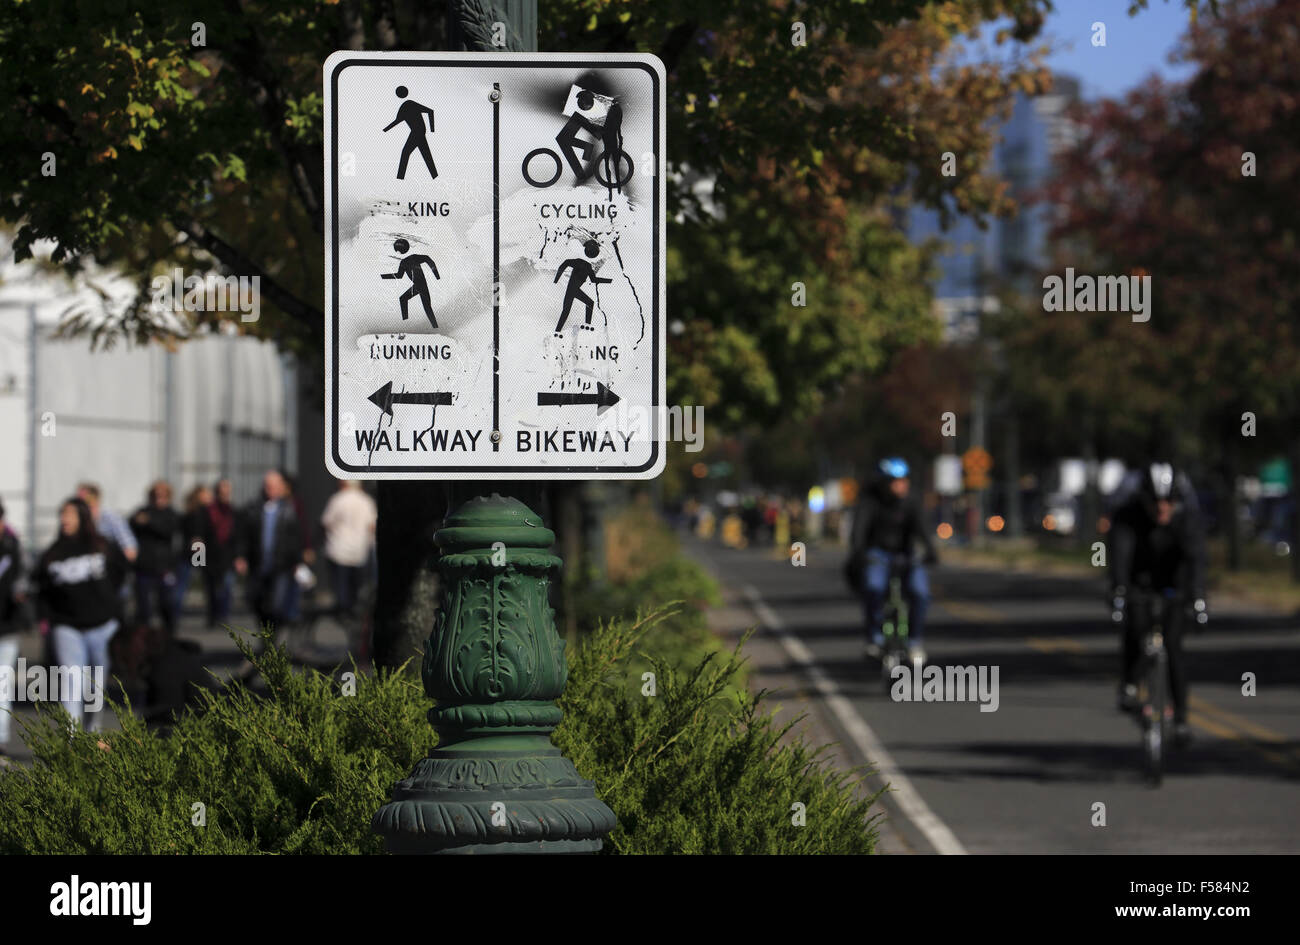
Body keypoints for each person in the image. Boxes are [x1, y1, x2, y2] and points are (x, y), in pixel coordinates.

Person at [1108, 461, 1208, 746]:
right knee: (1136, 628)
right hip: (1140, 583)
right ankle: (1129, 684)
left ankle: (1181, 721)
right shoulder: (1128, 518)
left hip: (1175, 586)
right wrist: (1118, 591)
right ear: (1143, 499)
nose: (1162, 507)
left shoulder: (1187, 519)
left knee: (1174, 648)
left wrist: (1199, 597)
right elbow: (1119, 557)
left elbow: (1197, 560)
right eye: (1155, 502)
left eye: (1169, 501)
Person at [31, 498, 128, 731]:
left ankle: (92, 732)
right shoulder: (52, 553)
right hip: (67, 628)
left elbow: (120, 574)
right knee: (71, 684)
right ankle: (72, 742)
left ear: (82, 518)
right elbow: (41, 588)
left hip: (102, 627)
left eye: (70, 514)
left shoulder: (102, 546)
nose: (64, 519)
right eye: (62, 514)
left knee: (95, 688)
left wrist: (109, 606)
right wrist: (48, 617)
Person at [847, 457, 938, 663]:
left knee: (920, 592)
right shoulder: (870, 501)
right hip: (877, 555)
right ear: (883, 483)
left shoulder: (912, 501)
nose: (900, 484)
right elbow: (858, 531)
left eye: (904, 479)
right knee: (874, 587)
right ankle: (874, 639)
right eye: (894, 480)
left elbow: (922, 529)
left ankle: (914, 641)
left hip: (906, 555)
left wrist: (931, 550)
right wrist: (859, 552)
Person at [234, 470, 305, 634]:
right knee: (257, 601)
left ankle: (273, 638)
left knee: (277, 604)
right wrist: (241, 557)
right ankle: (265, 637)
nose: (270, 489)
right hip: (258, 563)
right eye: (268, 486)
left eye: (274, 486)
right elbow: (244, 536)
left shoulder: (290, 510)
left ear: (281, 488)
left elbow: (296, 538)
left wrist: (297, 560)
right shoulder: (253, 509)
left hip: (281, 565)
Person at [320, 480, 378, 617]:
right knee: (355, 586)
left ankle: (343, 612)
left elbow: (326, 522)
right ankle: (351, 612)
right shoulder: (367, 501)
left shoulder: (338, 499)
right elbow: (372, 526)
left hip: (338, 549)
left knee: (341, 585)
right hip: (359, 551)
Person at [130, 481, 181, 636]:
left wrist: (149, 522)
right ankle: (144, 637)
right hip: (144, 567)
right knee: (143, 607)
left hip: (164, 567)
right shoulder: (142, 511)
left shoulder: (171, 514)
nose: (158, 498)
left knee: (167, 604)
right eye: (155, 495)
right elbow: (132, 523)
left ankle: (169, 635)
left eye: (162, 495)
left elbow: (167, 530)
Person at [0, 499, 29, 759]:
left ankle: (1, 740)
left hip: (5, 627)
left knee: (1, 684)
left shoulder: (12, 547)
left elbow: (24, 580)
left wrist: (21, 596)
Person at [172, 484, 213, 622]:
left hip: (194, 552)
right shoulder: (199, 513)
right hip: (197, 552)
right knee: (186, 584)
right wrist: (199, 557)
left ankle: (175, 614)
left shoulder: (193, 512)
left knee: (183, 585)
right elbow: (197, 537)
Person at [76, 482, 138, 564]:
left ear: (96, 500)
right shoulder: (78, 521)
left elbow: (130, 550)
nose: (80, 506)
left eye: (84, 502)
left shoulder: (111, 518)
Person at [205, 479, 238, 626]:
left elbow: (239, 536)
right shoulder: (207, 511)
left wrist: (239, 557)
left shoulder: (233, 511)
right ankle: (213, 616)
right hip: (210, 556)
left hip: (228, 557)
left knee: (227, 587)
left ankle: (224, 615)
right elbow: (199, 536)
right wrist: (197, 560)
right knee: (211, 589)